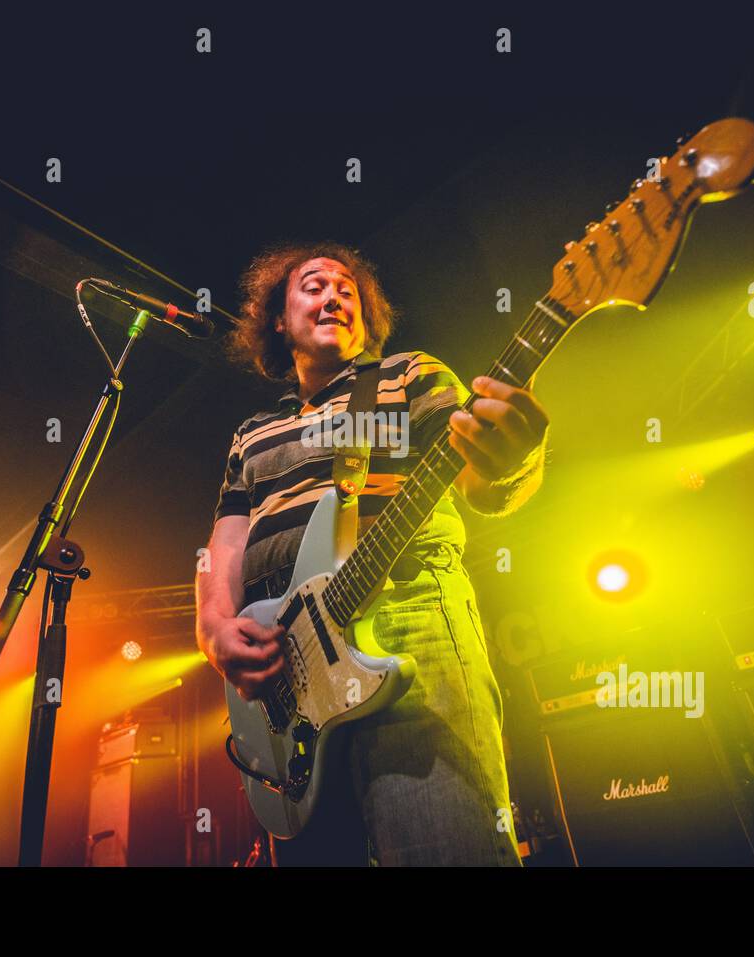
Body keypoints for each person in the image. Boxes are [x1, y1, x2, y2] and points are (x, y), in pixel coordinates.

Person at [196, 242, 548, 865]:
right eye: (312, 285)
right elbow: (225, 541)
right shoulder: (252, 434)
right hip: (290, 675)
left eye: (346, 289)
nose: (333, 295)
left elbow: (479, 480)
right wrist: (215, 627)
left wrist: (511, 458)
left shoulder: (407, 375)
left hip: (410, 623)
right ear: (278, 318)